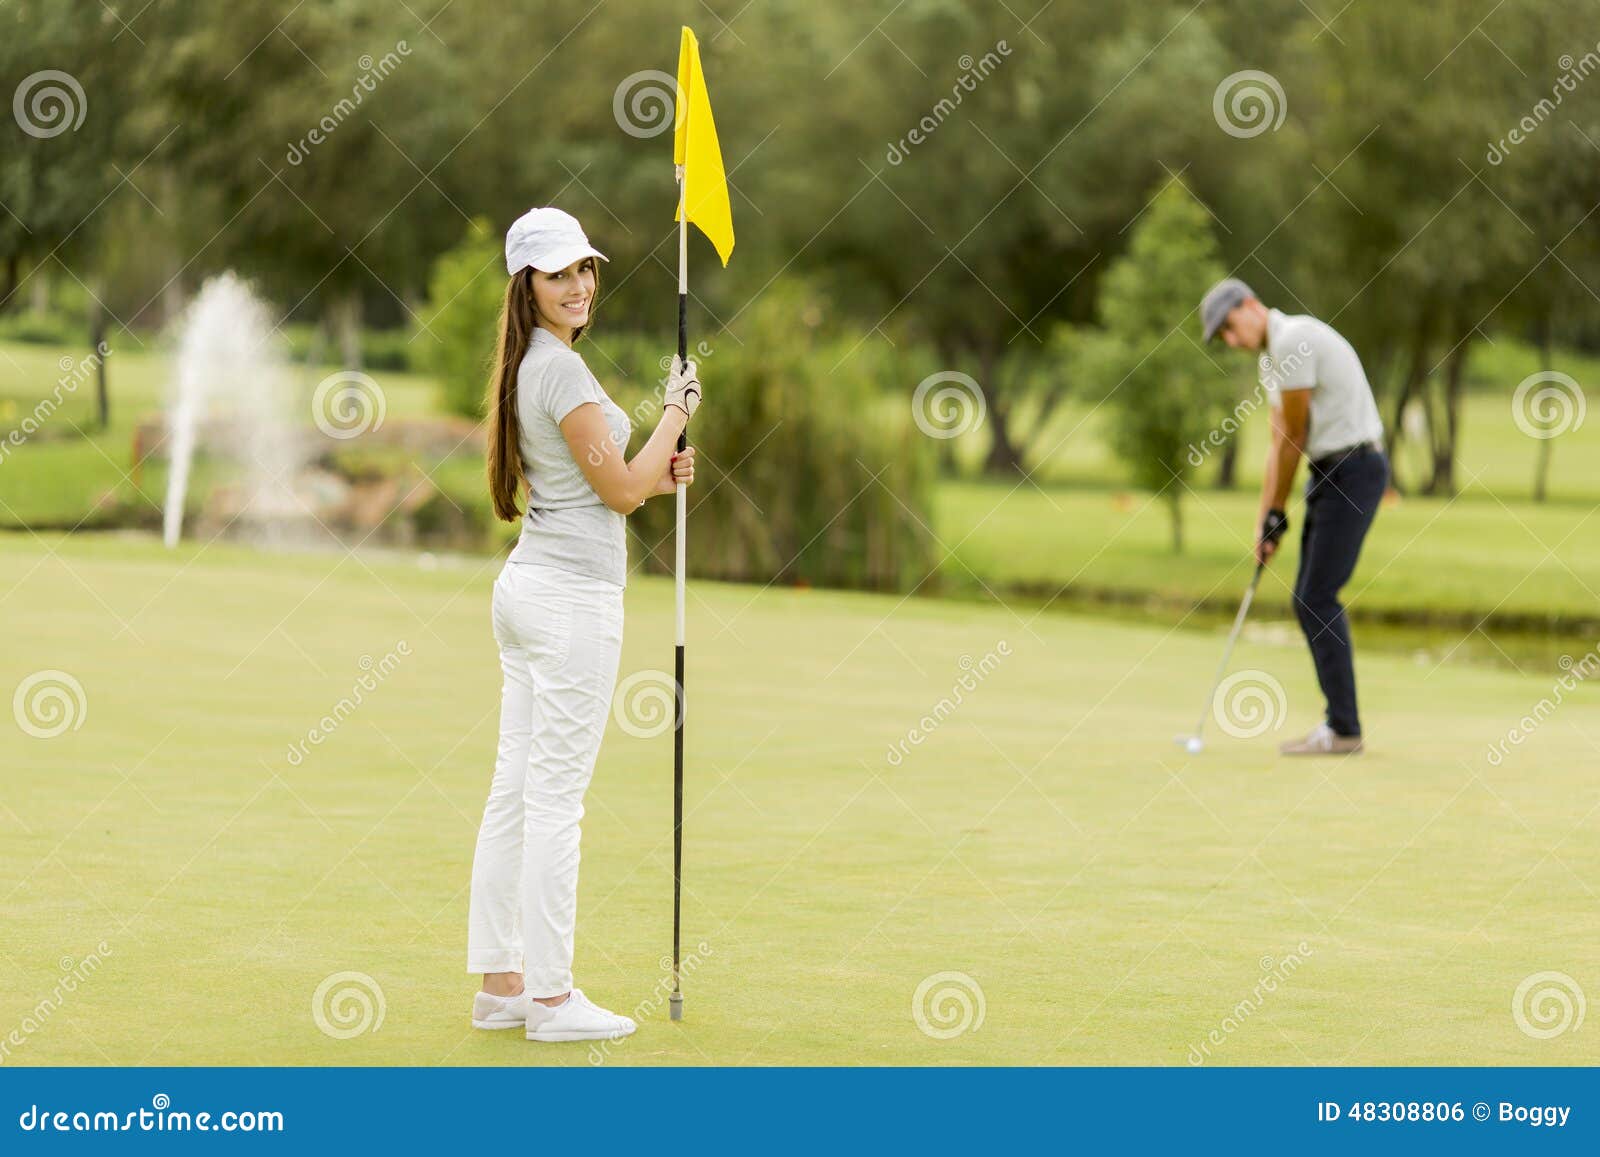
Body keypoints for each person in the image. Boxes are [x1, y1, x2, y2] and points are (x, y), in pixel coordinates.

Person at [466, 206, 701, 1041]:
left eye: (586, 270)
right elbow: (622, 492)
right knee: (554, 800)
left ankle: (502, 983)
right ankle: (554, 1000)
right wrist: (676, 409)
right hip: (569, 602)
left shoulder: (533, 362)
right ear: (527, 284)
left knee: (518, 788)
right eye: (560, 274)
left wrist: (659, 472)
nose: (579, 286)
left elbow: (621, 481)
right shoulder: (558, 370)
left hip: (532, 588)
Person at [1201, 278, 1387, 756]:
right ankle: (1340, 724)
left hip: (1355, 468)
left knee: (1316, 598)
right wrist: (1266, 518)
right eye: (1221, 335)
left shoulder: (1292, 340)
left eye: (1228, 326)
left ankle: (1343, 729)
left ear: (1249, 306)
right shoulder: (1272, 358)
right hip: (1329, 473)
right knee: (1309, 599)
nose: (1230, 339)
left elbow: (1294, 436)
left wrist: (1281, 508)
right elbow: (1277, 437)